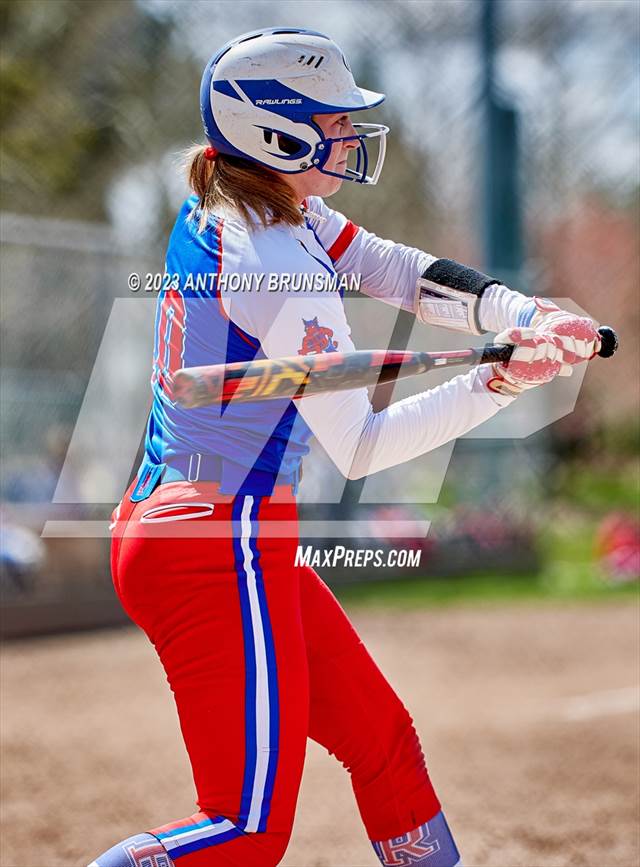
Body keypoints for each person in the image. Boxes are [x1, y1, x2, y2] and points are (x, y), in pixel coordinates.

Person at [90, 27, 600, 867]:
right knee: (246, 831)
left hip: (222, 529)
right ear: (272, 133)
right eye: (329, 120)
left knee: (383, 741)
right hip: (213, 544)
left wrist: (522, 314)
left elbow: (394, 269)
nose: (348, 135)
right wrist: (499, 384)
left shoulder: (263, 202)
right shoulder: (271, 255)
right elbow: (363, 446)